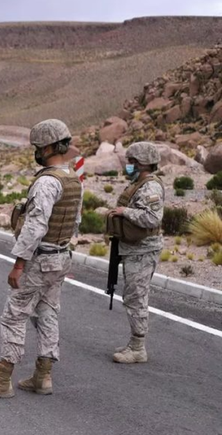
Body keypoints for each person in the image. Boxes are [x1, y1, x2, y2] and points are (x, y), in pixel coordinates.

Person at [0, 119, 82, 399]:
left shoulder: (46, 182)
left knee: (13, 315)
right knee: (47, 311)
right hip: (60, 257)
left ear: (51, 147)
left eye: (39, 147)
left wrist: (19, 263)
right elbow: (76, 223)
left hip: (39, 260)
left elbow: (35, 225)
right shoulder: (72, 180)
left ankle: (2, 378)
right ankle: (43, 376)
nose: (36, 151)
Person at [108, 142, 164, 364]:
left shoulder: (150, 188)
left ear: (142, 164)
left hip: (143, 250)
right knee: (133, 296)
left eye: (131, 162)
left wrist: (125, 212)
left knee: (136, 297)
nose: (128, 166)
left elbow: (152, 218)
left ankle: (138, 348)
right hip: (134, 248)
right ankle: (134, 343)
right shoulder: (139, 184)